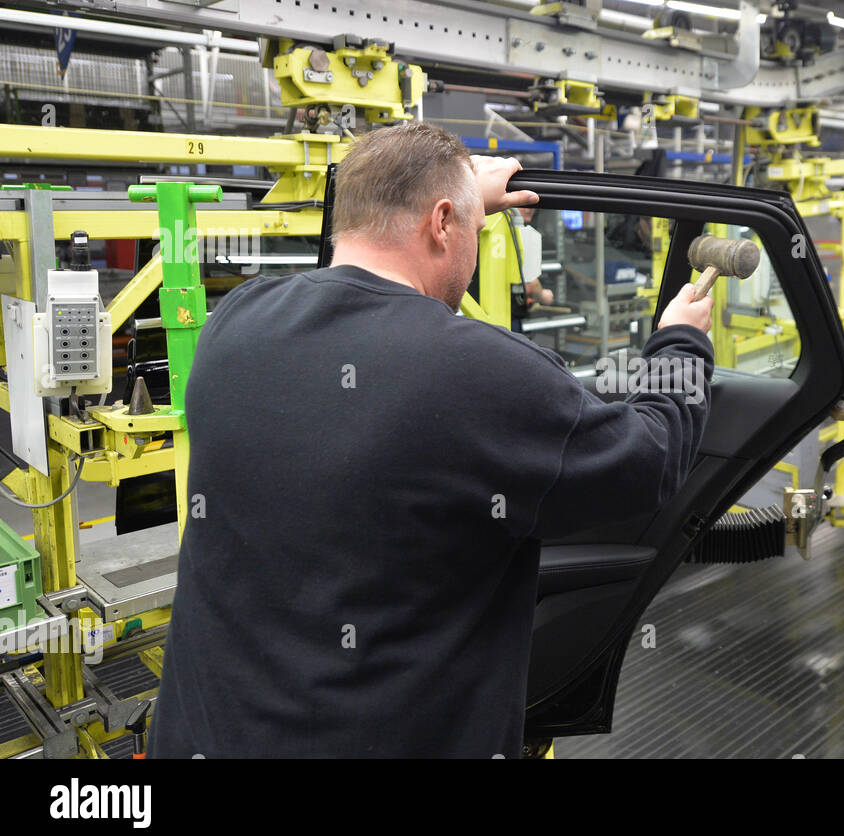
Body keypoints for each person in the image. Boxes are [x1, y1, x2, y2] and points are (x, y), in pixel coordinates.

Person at [149, 122, 715, 758]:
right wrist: (682, 341)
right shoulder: (477, 373)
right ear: (442, 223)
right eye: (471, 229)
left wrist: (459, 192)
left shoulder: (236, 322)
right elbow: (652, 460)